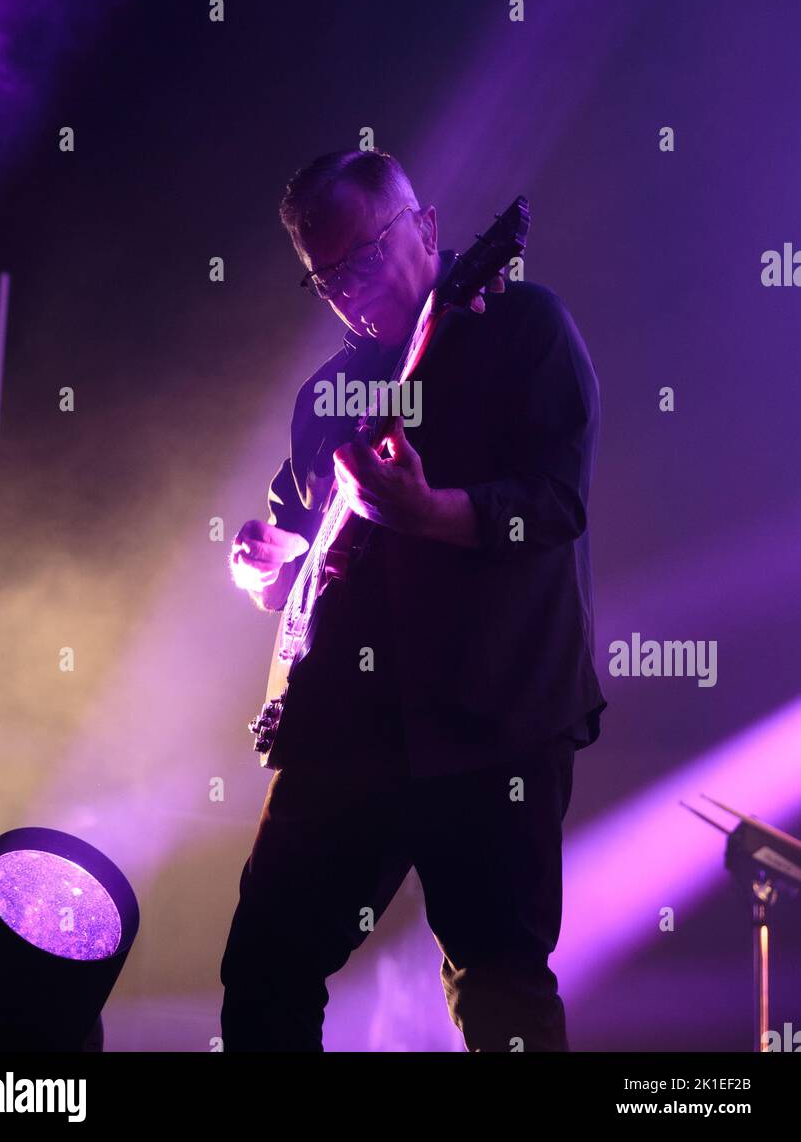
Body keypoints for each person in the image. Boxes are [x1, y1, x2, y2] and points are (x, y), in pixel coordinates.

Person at [221, 149, 606, 1052]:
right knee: (265, 971)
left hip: (495, 722)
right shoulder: (326, 396)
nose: (347, 292)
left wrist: (434, 513)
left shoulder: (525, 329)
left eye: (362, 259)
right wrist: (262, 562)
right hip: (348, 728)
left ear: (427, 231)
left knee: (499, 985)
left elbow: (556, 502)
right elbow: (295, 543)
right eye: (326, 280)